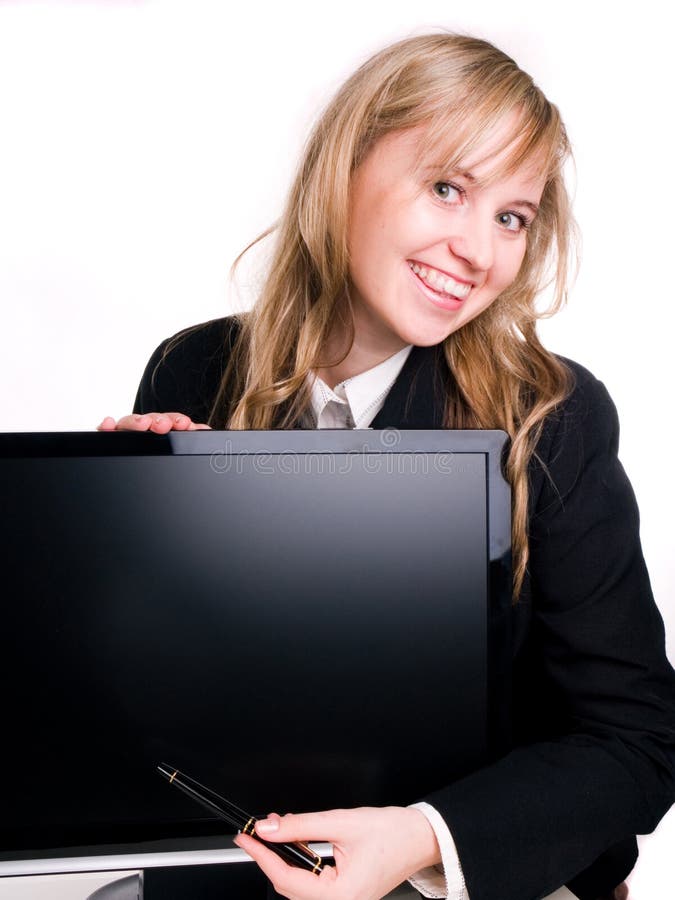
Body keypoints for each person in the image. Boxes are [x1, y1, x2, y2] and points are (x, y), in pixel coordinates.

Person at [98, 33, 675, 900]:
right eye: (447, 189)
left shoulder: (549, 415)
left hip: (477, 874)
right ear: (345, 168)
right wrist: (115, 524)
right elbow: (159, 701)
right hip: (248, 866)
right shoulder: (194, 370)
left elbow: (639, 741)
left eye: (510, 217)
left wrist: (421, 840)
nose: (479, 253)